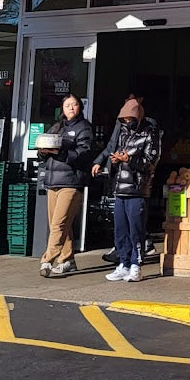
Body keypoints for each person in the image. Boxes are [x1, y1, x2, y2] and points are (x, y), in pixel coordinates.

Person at [94, 94, 162, 283]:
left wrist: (129, 160)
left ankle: (136, 265)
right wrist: (113, 161)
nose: (127, 122)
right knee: (120, 229)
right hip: (120, 186)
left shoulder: (150, 132)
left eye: (130, 119)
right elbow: (112, 149)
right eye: (124, 120)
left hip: (138, 188)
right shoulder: (122, 132)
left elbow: (150, 163)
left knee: (136, 229)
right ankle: (123, 263)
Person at [38, 93, 95, 278]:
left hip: (71, 182)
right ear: (62, 108)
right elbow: (45, 152)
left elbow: (84, 154)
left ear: (80, 108)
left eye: (75, 104)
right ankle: (67, 259)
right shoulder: (57, 127)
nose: (71, 108)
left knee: (59, 224)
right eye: (67, 105)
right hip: (53, 181)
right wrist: (43, 152)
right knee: (62, 224)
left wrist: (60, 152)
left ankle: (47, 259)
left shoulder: (84, 128)